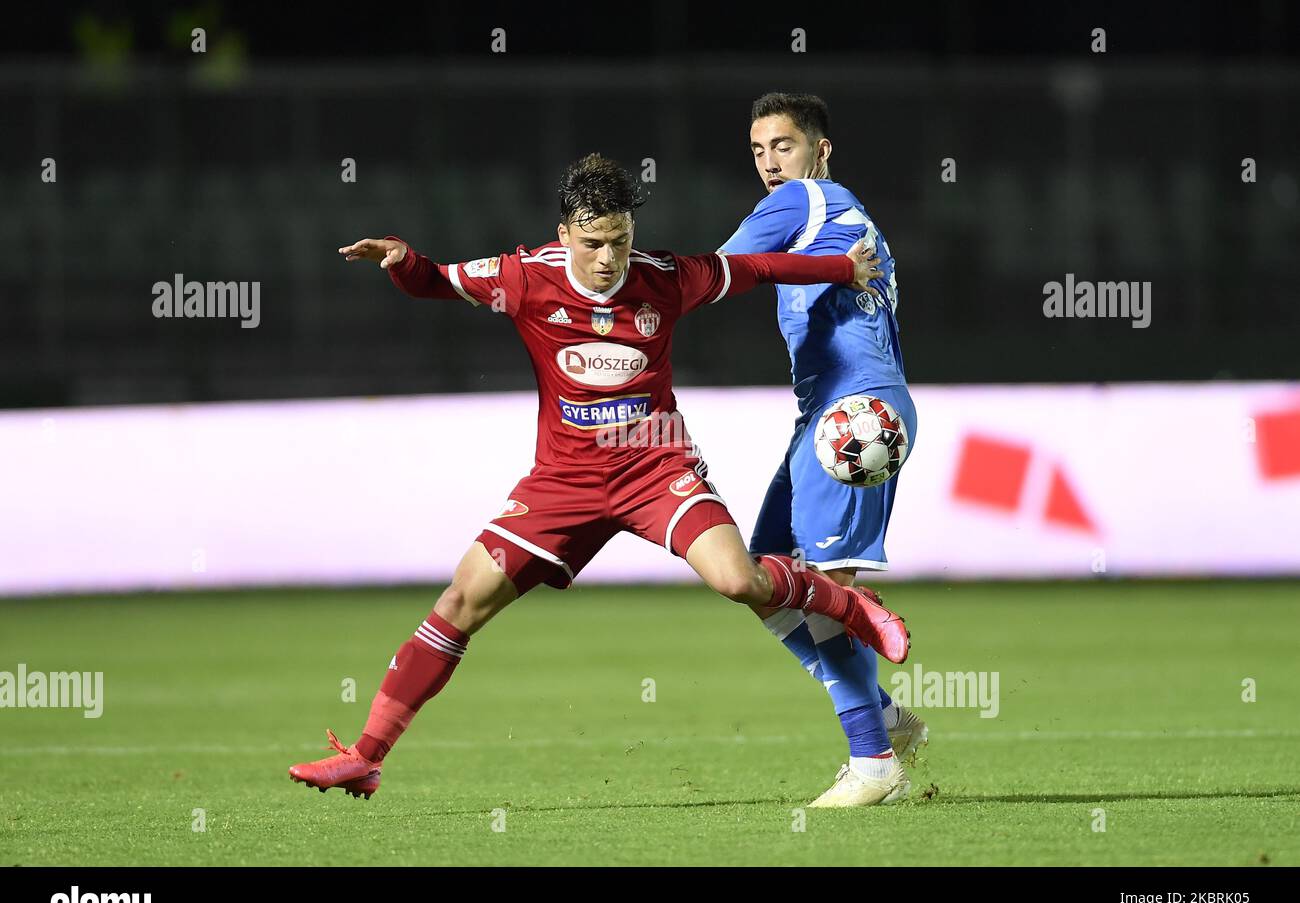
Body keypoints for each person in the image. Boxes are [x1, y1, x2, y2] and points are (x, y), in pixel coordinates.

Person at [288, 153, 908, 799]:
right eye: (592, 244)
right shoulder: (524, 276)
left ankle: (847, 604)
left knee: (739, 580)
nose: (608, 259)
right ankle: (366, 755)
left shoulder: (667, 277)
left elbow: (754, 269)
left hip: (655, 463)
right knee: (459, 602)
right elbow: (436, 282)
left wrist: (841, 267)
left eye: (619, 241)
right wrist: (403, 260)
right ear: (564, 237)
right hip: (564, 480)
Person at [718, 93, 927, 808]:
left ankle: (873, 767)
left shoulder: (806, 200)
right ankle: (883, 716)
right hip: (841, 412)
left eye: (782, 145)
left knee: (824, 582)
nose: (770, 163)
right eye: (757, 151)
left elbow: (716, 273)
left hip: (854, 411)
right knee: (756, 574)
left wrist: (624, 291)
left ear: (819, 149)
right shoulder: (847, 214)